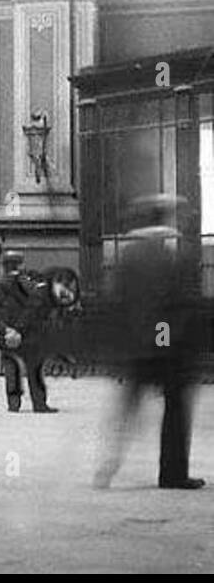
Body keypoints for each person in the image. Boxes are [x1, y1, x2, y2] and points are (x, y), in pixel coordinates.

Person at [96, 195, 205, 490]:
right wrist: (162, 342)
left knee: (127, 409)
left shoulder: (127, 255)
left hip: (135, 346)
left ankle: (108, 465)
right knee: (175, 410)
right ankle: (172, 474)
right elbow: (168, 304)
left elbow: (116, 302)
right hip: (162, 347)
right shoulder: (169, 254)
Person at [0, 251, 57, 414]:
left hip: (7, 331)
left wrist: (5, 329)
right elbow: (35, 307)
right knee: (34, 367)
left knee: (10, 367)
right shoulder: (27, 285)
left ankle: (13, 403)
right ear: (20, 264)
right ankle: (39, 403)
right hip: (28, 332)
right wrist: (20, 328)